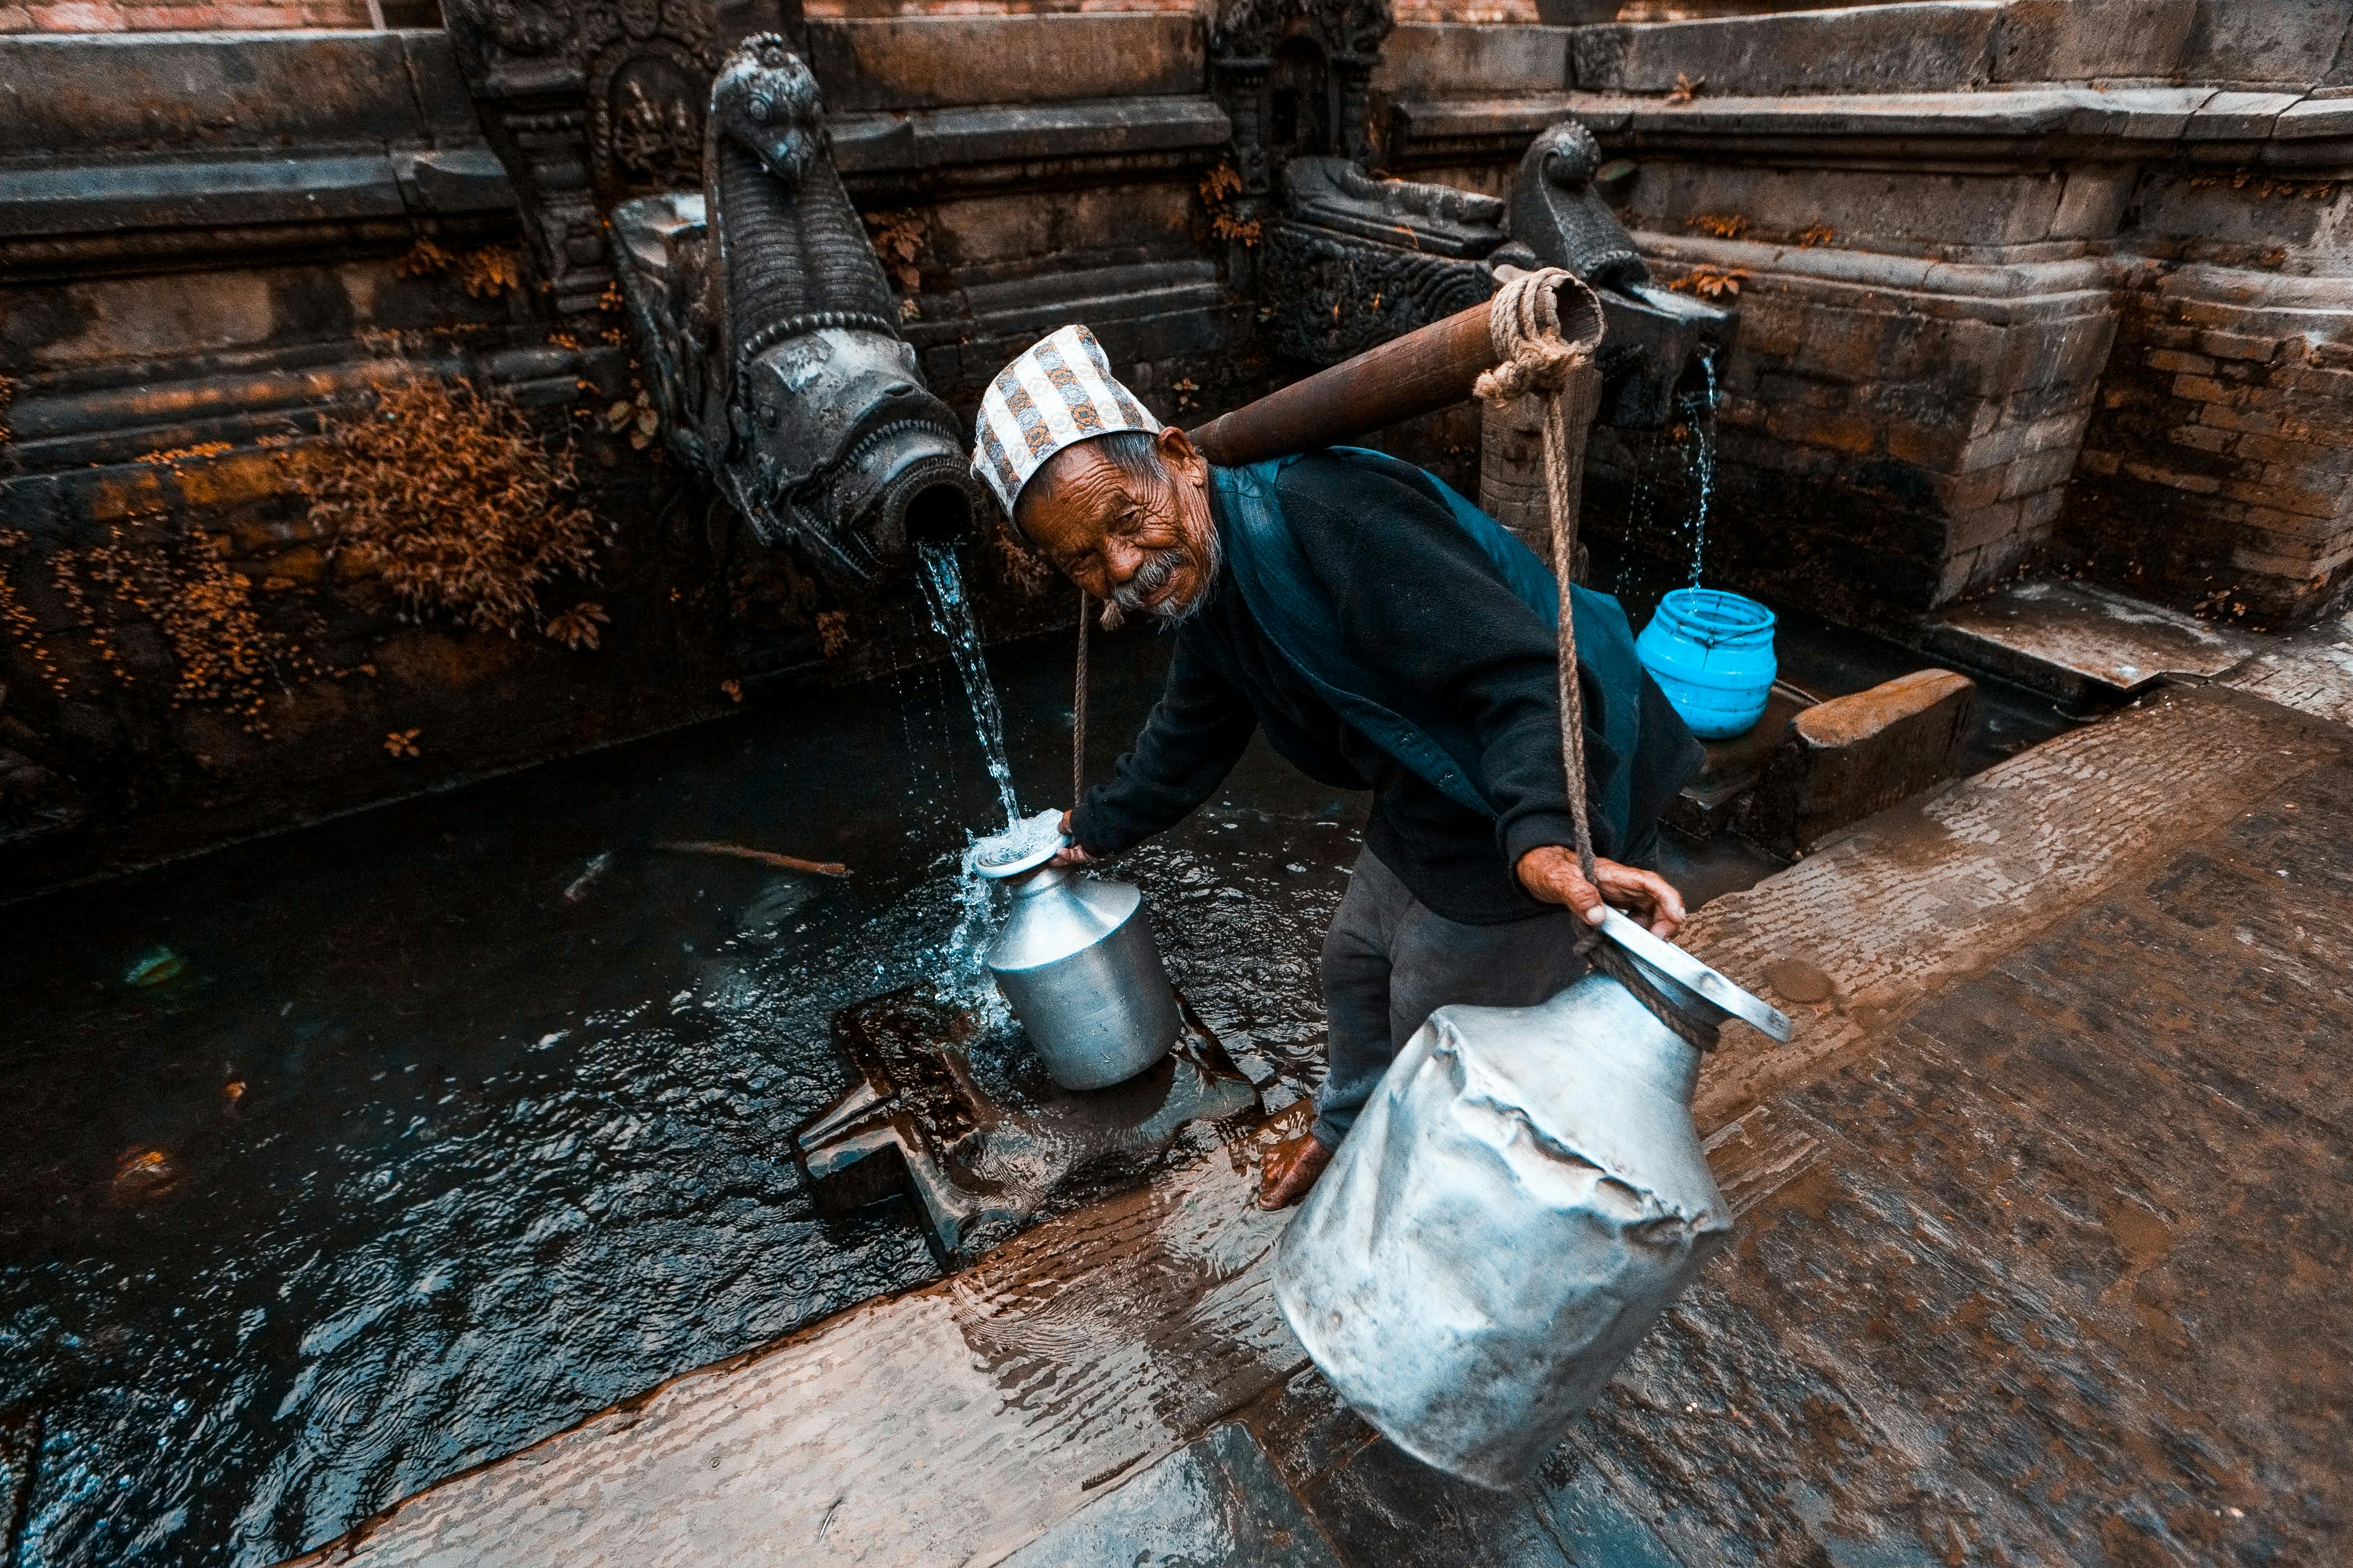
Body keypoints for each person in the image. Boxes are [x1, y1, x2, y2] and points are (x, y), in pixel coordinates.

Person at [971, 325, 1704, 1210]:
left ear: (1178, 458)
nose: (1120, 567)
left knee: (1447, 1024)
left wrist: (1544, 840)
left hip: (1549, 756)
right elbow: (1192, 729)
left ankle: (1434, 1203)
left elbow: (1522, 679)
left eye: (1125, 521)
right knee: (1355, 964)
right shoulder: (1208, 575)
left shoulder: (1330, 513)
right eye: (1081, 560)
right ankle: (1348, 1131)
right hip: (1429, 771)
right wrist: (1086, 834)